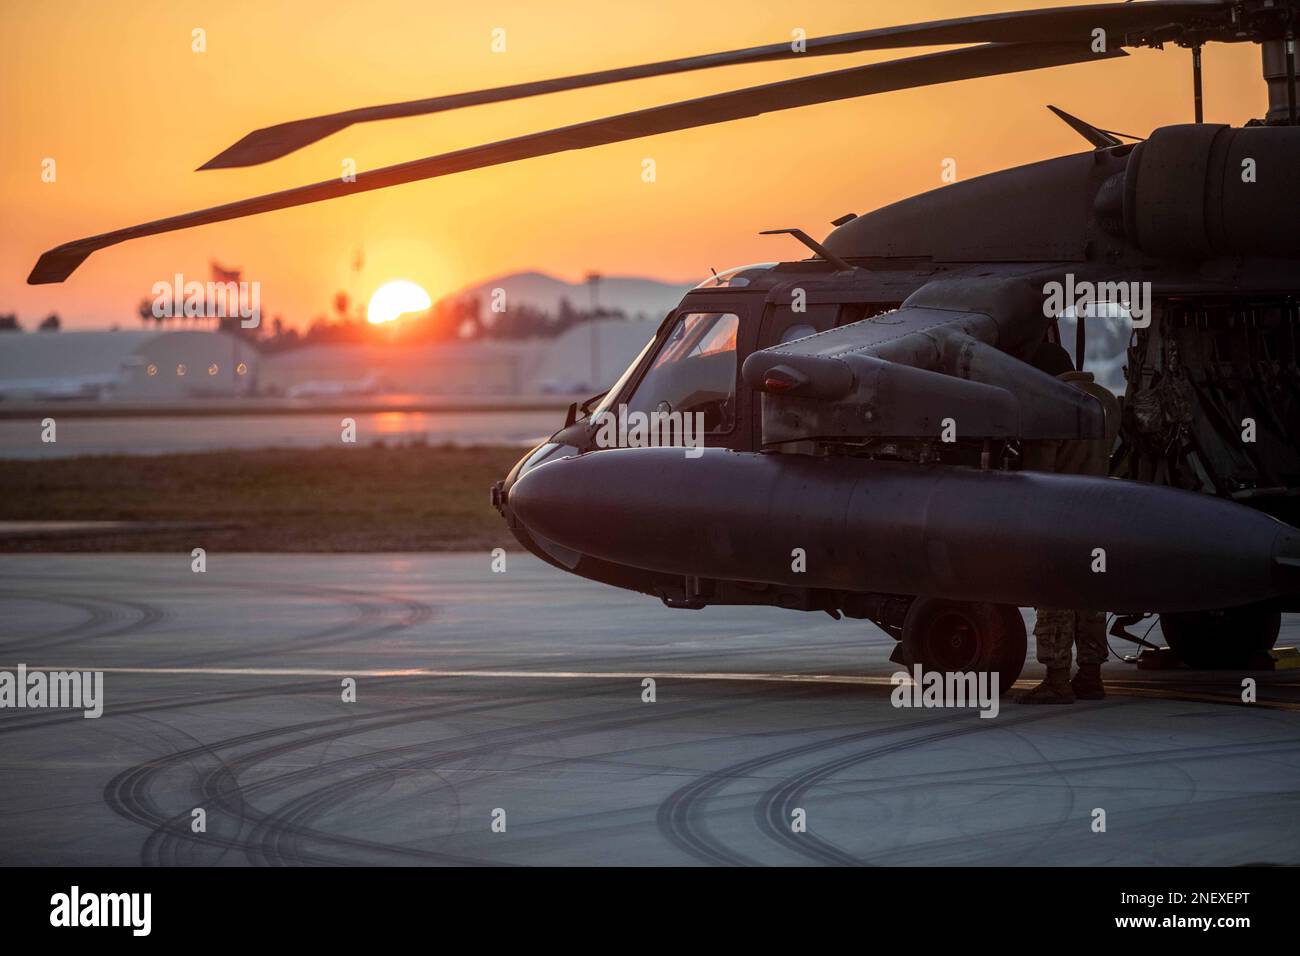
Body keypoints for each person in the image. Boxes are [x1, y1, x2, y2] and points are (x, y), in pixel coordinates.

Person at [1016, 341, 1122, 704]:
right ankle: (1091, 675)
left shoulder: (1051, 403)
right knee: (1090, 598)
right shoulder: (1105, 399)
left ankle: (1057, 679)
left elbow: (1038, 474)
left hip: (1059, 517)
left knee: (1054, 599)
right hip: (1098, 514)